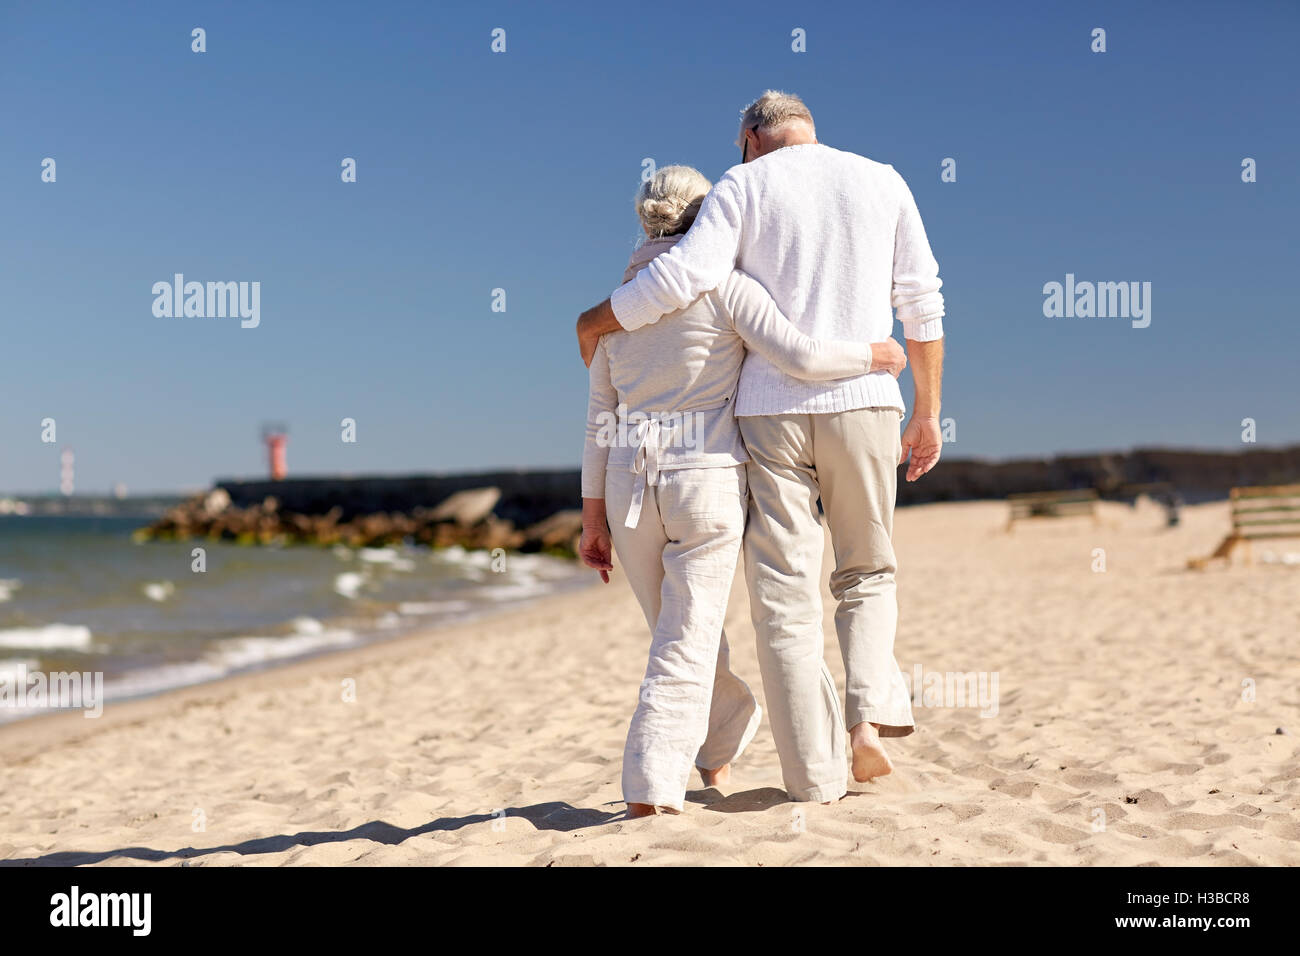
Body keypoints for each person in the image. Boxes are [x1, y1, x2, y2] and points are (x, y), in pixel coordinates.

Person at [577, 91, 947, 804]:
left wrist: (594, 320)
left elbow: (680, 282)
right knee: (866, 571)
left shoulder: (742, 186)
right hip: (859, 407)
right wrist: (923, 407)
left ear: (749, 138)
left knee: (780, 600)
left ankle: (809, 777)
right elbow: (921, 303)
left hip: (763, 417)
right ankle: (865, 723)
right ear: (808, 129)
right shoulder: (884, 178)